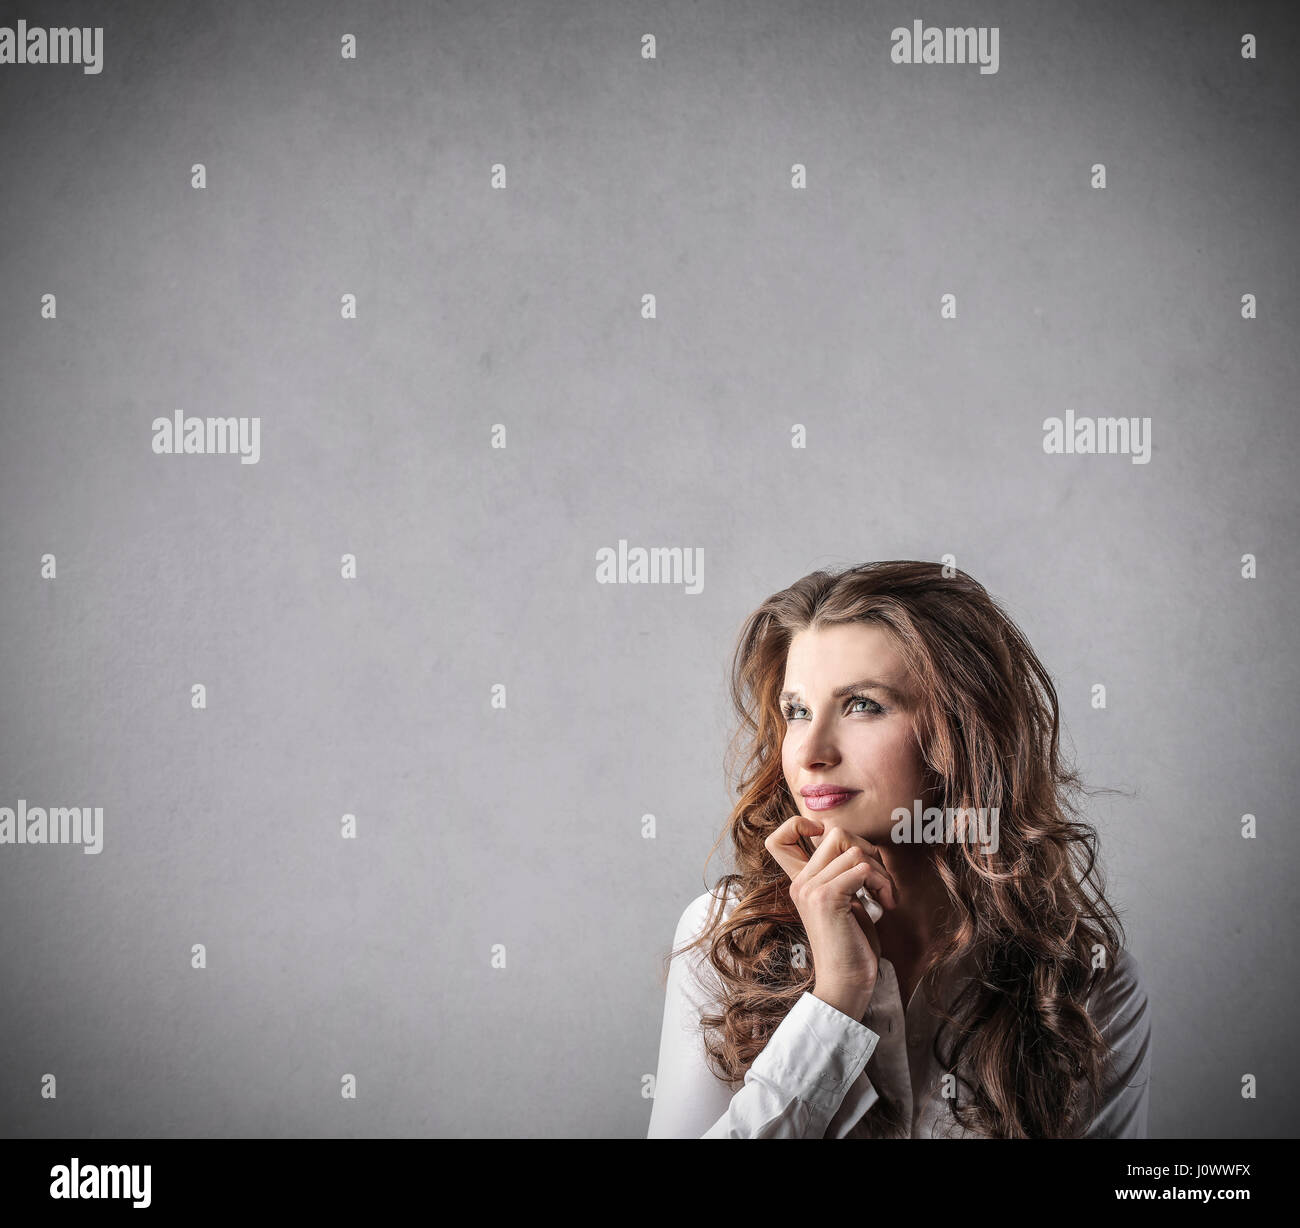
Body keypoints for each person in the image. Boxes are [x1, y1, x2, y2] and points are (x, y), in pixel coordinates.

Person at [647, 560, 1151, 1138]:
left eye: (863, 704)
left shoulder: (1084, 981)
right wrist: (836, 997)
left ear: (962, 727)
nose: (810, 751)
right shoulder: (726, 936)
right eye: (797, 711)